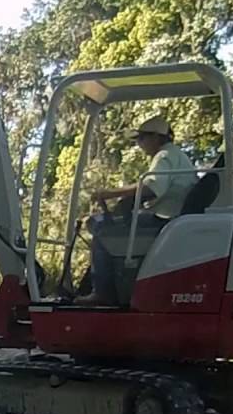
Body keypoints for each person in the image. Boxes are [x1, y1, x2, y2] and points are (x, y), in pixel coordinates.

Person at [75, 115, 197, 306]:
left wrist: (108, 193)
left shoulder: (164, 156)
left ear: (156, 137)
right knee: (112, 224)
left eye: (142, 138)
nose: (139, 143)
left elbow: (151, 188)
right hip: (172, 219)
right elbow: (154, 193)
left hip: (165, 221)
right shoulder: (177, 155)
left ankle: (103, 292)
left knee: (100, 228)